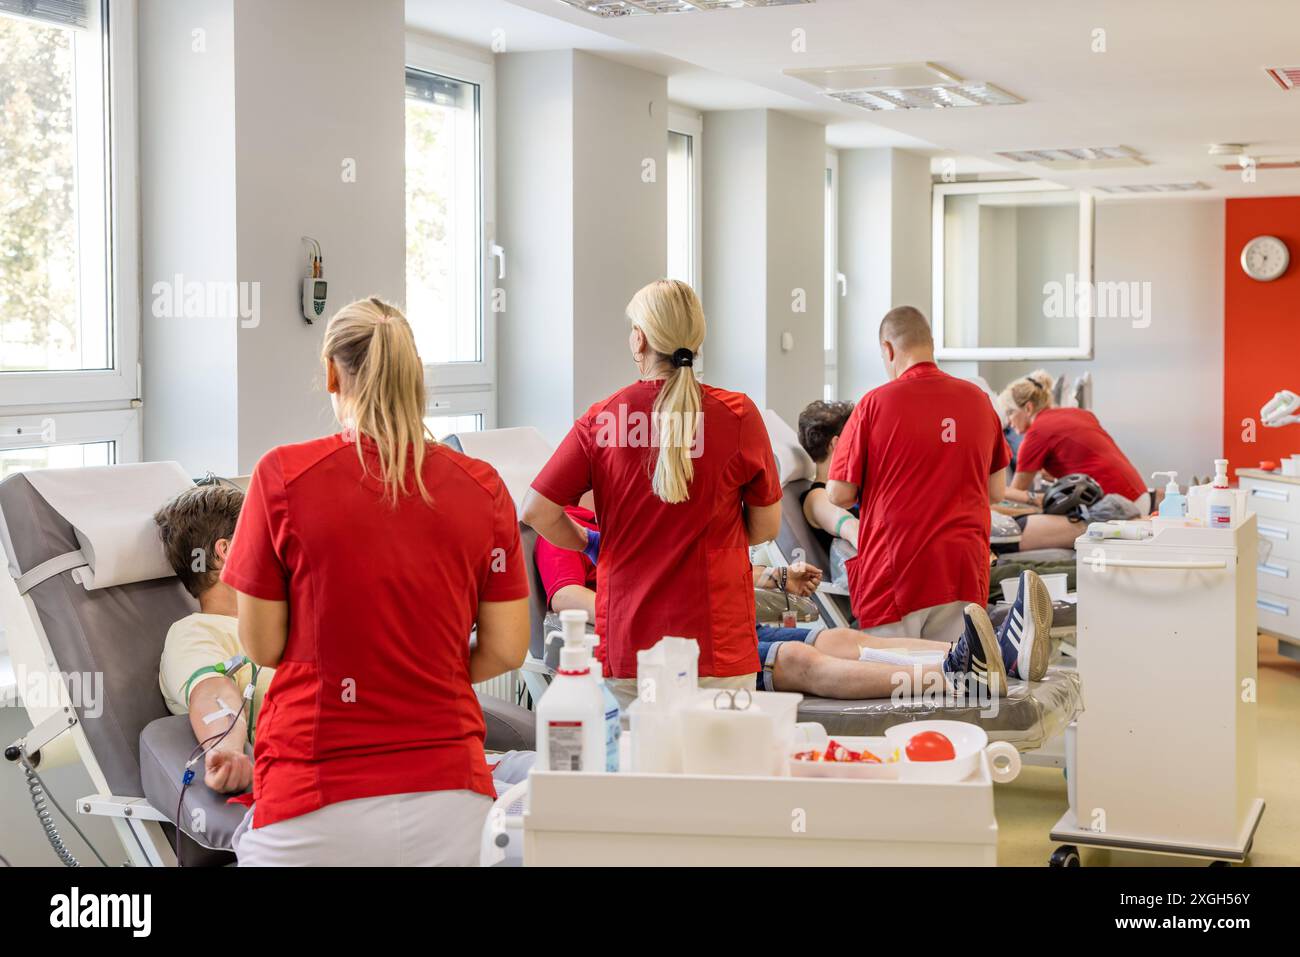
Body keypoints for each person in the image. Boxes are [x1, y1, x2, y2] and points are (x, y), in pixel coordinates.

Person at [220, 297, 531, 867]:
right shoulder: (482, 486)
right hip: (451, 804)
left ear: (332, 373)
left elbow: (262, 646)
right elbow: (509, 648)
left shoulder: (281, 476)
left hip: (311, 803)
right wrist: (416, 671)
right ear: (415, 377)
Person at [522, 279, 783, 708]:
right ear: (696, 339)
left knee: (642, 770)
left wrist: (590, 543)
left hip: (632, 643)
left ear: (639, 339)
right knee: (722, 773)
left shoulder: (603, 418)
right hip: (717, 644)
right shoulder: (738, 415)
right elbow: (766, 527)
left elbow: (536, 511)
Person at [535, 505, 1054, 698]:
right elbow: (565, 598)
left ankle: (988, 657)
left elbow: (705, 574)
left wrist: (778, 576)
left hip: (719, 625)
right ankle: (956, 678)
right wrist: (651, 603)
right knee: (804, 660)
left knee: (843, 638)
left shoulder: (635, 523)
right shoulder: (566, 530)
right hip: (670, 651)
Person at [827, 306, 1048, 682]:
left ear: (888, 349)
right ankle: (967, 728)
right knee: (959, 680)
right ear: (930, 344)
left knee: (896, 684)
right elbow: (995, 491)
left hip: (897, 567)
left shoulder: (874, 404)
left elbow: (838, 494)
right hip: (961, 564)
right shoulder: (979, 402)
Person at [154, 483, 268, 795]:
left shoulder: (281, 621)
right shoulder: (195, 632)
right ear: (226, 552)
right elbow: (212, 690)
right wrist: (227, 749)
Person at [999, 371, 1148, 550]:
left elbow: (1015, 493)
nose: (1008, 421)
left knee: (1021, 529)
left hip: (1114, 505)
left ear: (1028, 408)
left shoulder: (1036, 433)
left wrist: (988, 492)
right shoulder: (1078, 413)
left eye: (1010, 412)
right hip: (1139, 497)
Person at [796, 400, 859, 554]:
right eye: (856, 440)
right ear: (837, 444)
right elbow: (852, 528)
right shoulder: (817, 497)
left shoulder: (850, 491)